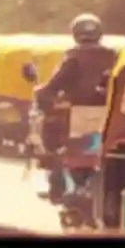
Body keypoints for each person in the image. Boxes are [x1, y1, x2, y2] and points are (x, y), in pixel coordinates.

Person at [30, 13, 119, 205]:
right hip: (111, 115)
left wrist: (40, 93)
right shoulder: (113, 56)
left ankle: (59, 185)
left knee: (56, 143)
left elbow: (54, 85)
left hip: (78, 114)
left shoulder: (73, 56)